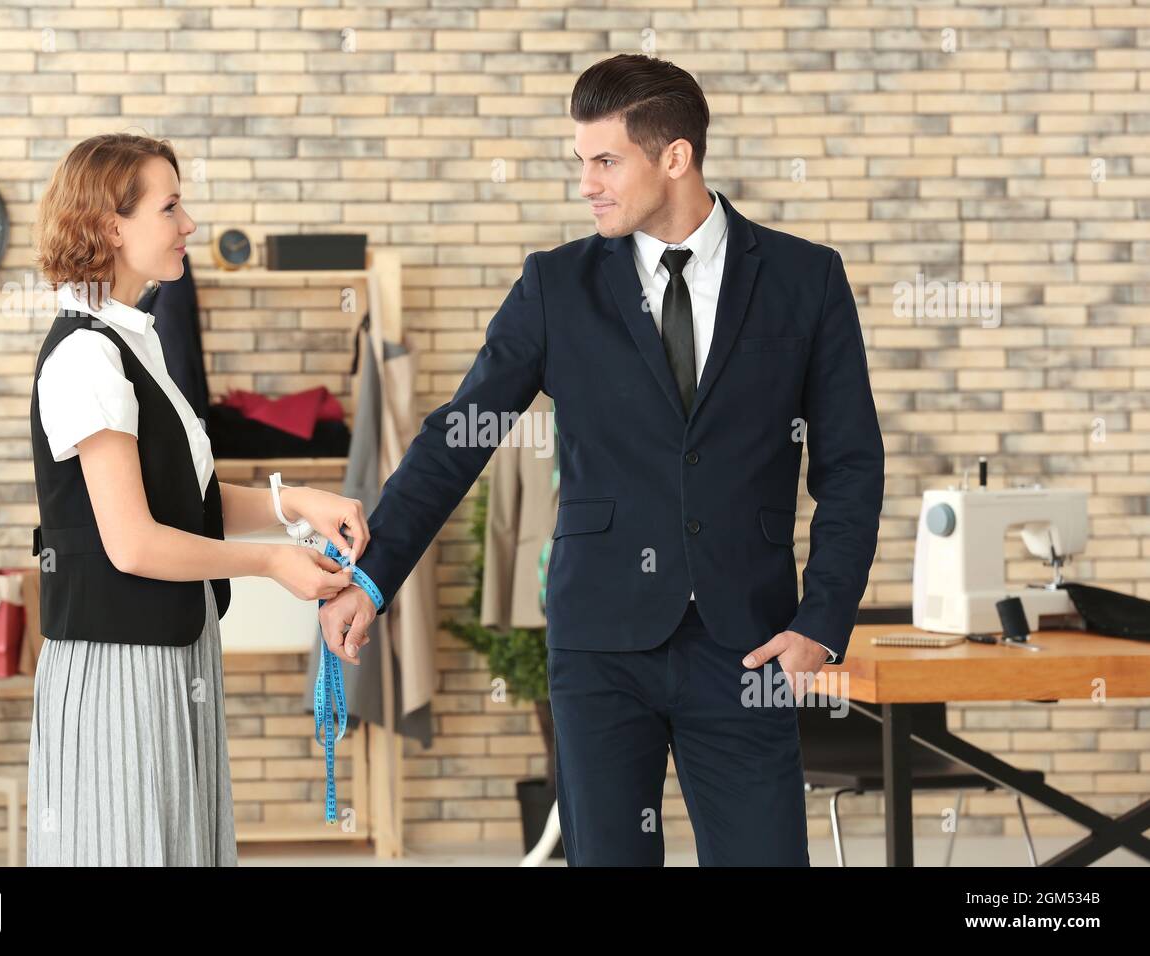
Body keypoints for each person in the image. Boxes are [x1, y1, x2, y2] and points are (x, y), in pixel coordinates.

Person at [319, 54, 884, 865]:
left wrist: (821, 626)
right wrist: (373, 578)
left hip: (750, 643)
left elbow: (852, 467)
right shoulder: (557, 285)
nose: (587, 183)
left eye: (605, 161)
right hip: (599, 646)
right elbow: (461, 433)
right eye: (579, 161)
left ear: (676, 157)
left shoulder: (806, 278)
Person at [26, 133, 367, 865]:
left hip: (171, 651)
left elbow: (186, 500)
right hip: (118, 664)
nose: (189, 225)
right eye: (171, 206)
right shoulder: (87, 354)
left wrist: (296, 501)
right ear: (110, 226)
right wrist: (274, 562)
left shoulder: (133, 340)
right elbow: (135, 542)